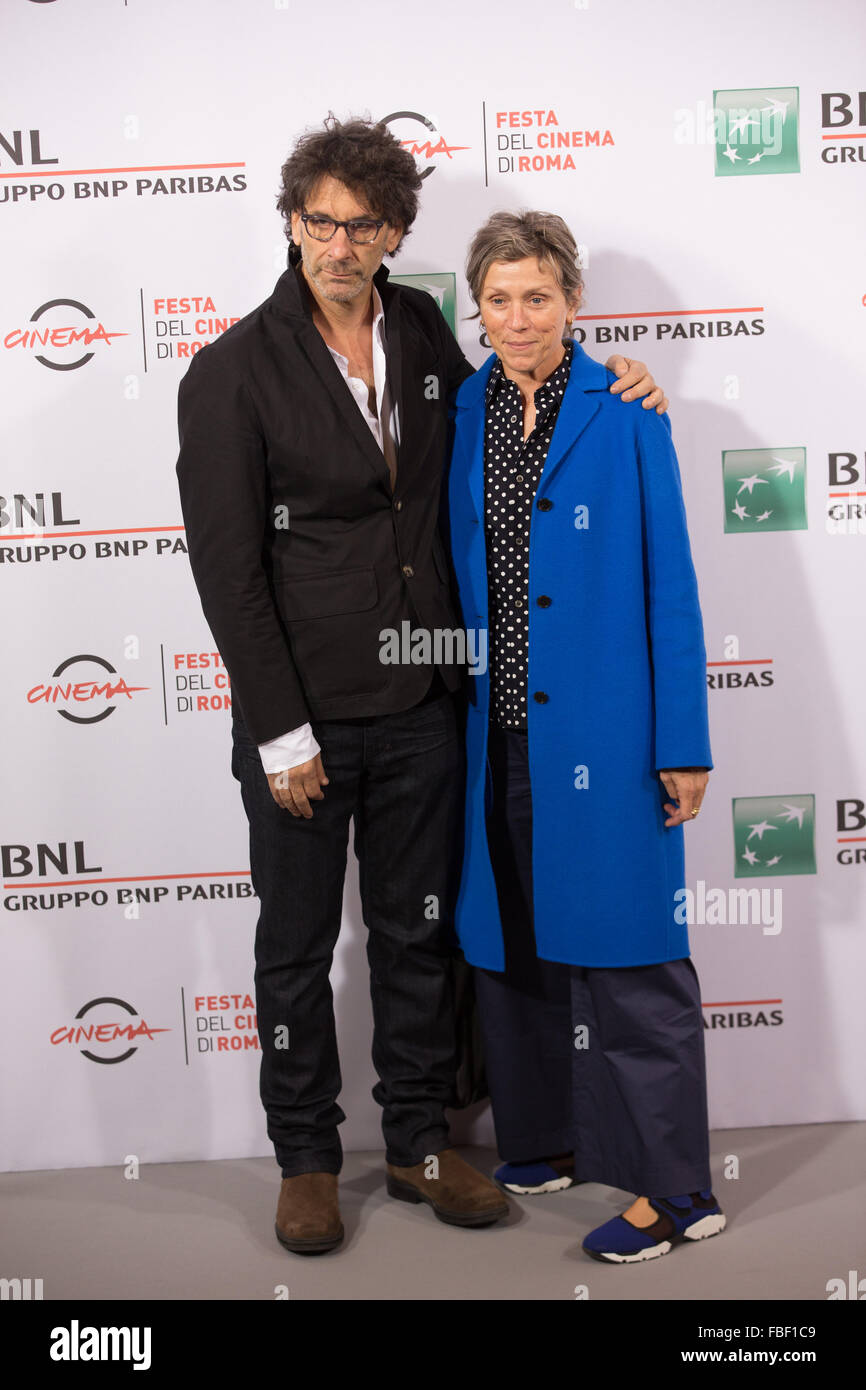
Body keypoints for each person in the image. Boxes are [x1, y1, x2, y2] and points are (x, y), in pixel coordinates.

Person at [175, 116, 666, 1256]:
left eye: (365, 224)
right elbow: (228, 573)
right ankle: (304, 1154)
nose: (340, 244)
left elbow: (516, 403)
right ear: (291, 219)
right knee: (295, 949)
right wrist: (280, 731)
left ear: (394, 231)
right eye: (320, 221)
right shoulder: (230, 372)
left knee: (416, 936)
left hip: (424, 700)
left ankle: (417, 1140)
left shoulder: (426, 326)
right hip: (300, 719)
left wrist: (614, 377)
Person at [444, 210, 725, 1263]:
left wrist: (680, 742)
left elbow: (671, 591)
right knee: (512, 947)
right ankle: (544, 1138)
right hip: (494, 738)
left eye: (537, 297)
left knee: (633, 960)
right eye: (499, 298)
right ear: (478, 306)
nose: (517, 317)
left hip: (609, 740)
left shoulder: (626, 414)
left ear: (572, 303)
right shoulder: (462, 408)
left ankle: (677, 1191)